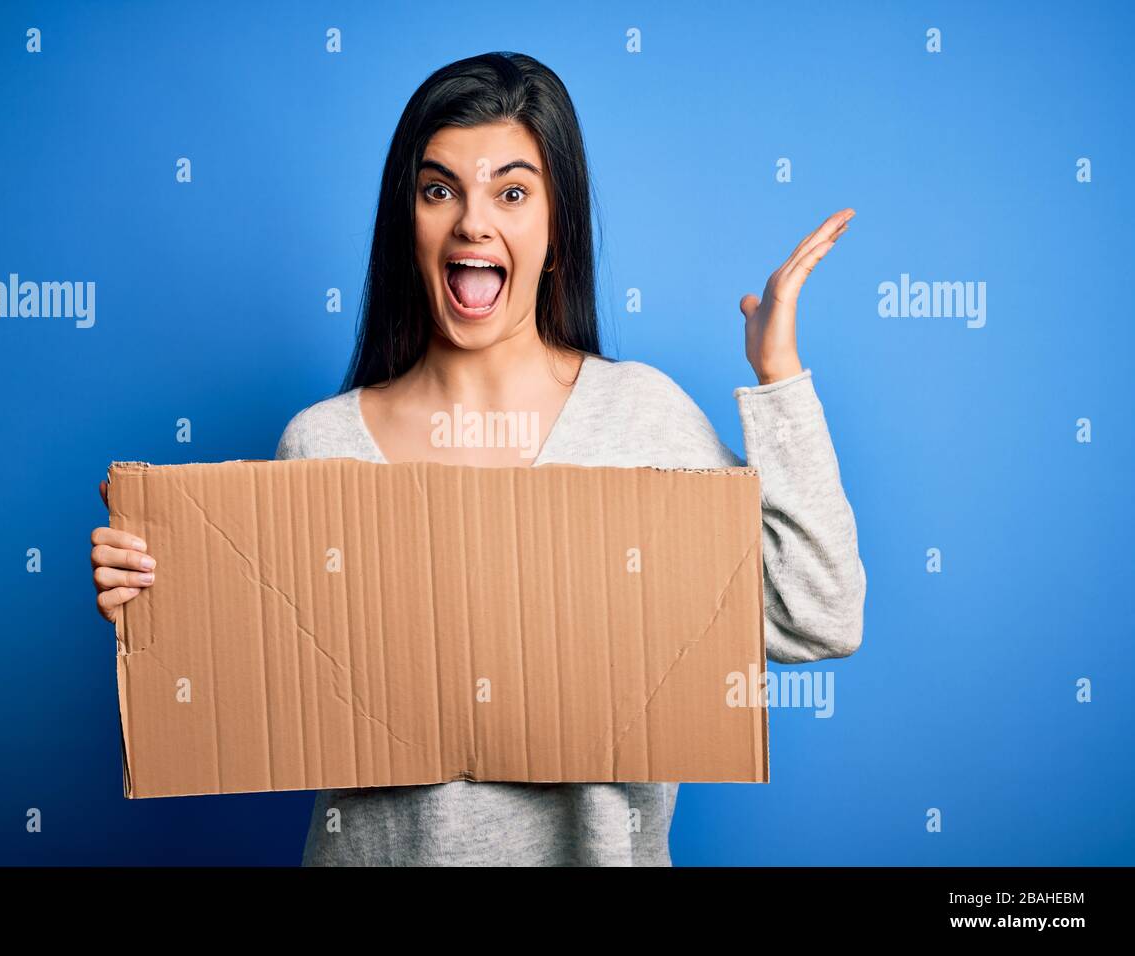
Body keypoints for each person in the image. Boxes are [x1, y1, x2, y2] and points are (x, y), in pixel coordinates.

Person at [90, 51, 866, 866]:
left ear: (556, 228)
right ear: (409, 222)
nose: (472, 222)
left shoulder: (639, 419)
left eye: (512, 191)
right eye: (439, 190)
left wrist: (779, 374)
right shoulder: (321, 445)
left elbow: (816, 615)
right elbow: (264, 697)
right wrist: (159, 604)